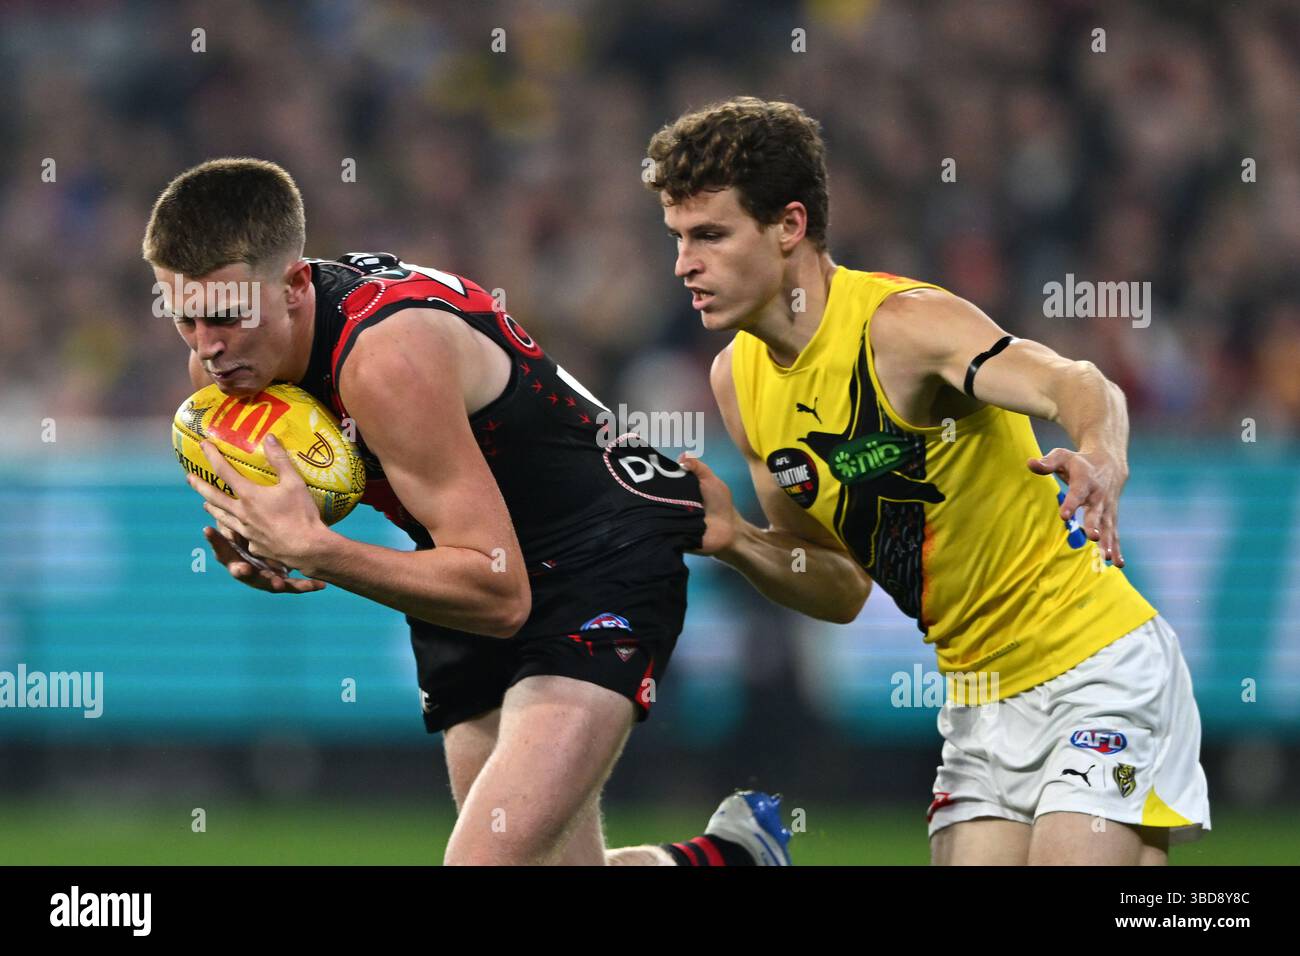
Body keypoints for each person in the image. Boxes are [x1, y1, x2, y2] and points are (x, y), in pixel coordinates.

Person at [144, 157, 791, 866]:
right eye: (185, 317)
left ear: (297, 284)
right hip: (465, 564)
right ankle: (733, 859)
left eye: (229, 315)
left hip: (597, 558)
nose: (207, 346)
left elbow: (502, 592)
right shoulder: (228, 367)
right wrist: (264, 547)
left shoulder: (387, 356)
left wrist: (316, 549)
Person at [644, 97, 1210, 865]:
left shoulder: (902, 327)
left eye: (710, 235)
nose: (685, 264)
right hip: (977, 702)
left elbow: (1075, 383)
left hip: (1096, 666)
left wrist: (1101, 457)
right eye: (678, 239)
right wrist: (738, 541)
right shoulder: (737, 382)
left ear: (789, 226)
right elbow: (837, 584)